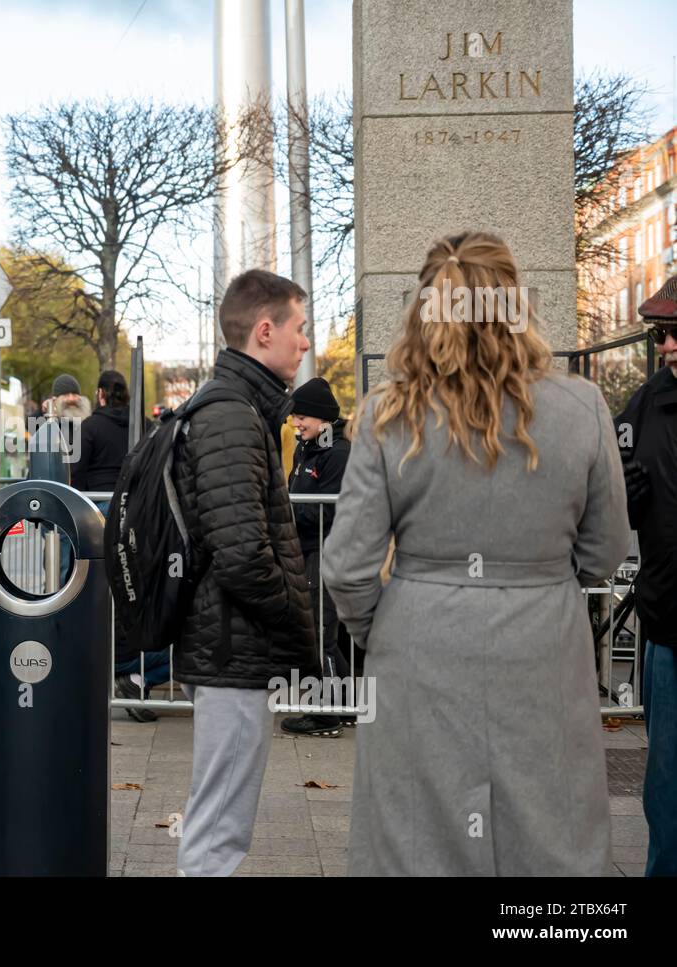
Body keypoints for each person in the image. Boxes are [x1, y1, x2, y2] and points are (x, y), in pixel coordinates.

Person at [322, 232, 630, 876]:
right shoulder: (581, 406)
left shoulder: (388, 412)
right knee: (550, 828)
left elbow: (349, 563)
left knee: (416, 836)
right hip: (543, 645)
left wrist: (387, 626)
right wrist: (545, 584)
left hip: (419, 645)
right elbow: (604, 550)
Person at [171, 268, 319, 876]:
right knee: (218, 831)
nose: (305, 342)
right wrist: (294, 617)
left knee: (221, 818)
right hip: (232, 648)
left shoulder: (236, 406)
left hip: (229, 643)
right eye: (300, 328)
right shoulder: (232, 414)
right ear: (265, 330)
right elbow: (241, 555)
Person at [615, 272, 677, 877]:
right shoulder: (643, 405)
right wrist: (624, 495)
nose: (667, 345)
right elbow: (613, 512)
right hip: (669, 625)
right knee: (667, 784)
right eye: (662, 333)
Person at [73, 370, 165, 722]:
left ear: (99, 395)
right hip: (136, 514)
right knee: (135, 591)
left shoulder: (89, 428)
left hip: (97, 514)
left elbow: (77, 475)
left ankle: (92, 668)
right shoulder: (142, 424)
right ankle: (133, 670)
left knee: (88, 593)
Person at [280, 376, 353, 738]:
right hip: (308, 550)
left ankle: (325, 714)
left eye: (302, 417)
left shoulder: (338, 454)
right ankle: (346, 704)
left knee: (317, 635)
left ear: (323, 418)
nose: (295, 423)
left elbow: (331, 510)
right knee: (324, 632)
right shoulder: (305, 448)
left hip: (326, 552)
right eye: (294, 417)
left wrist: (287, 513)